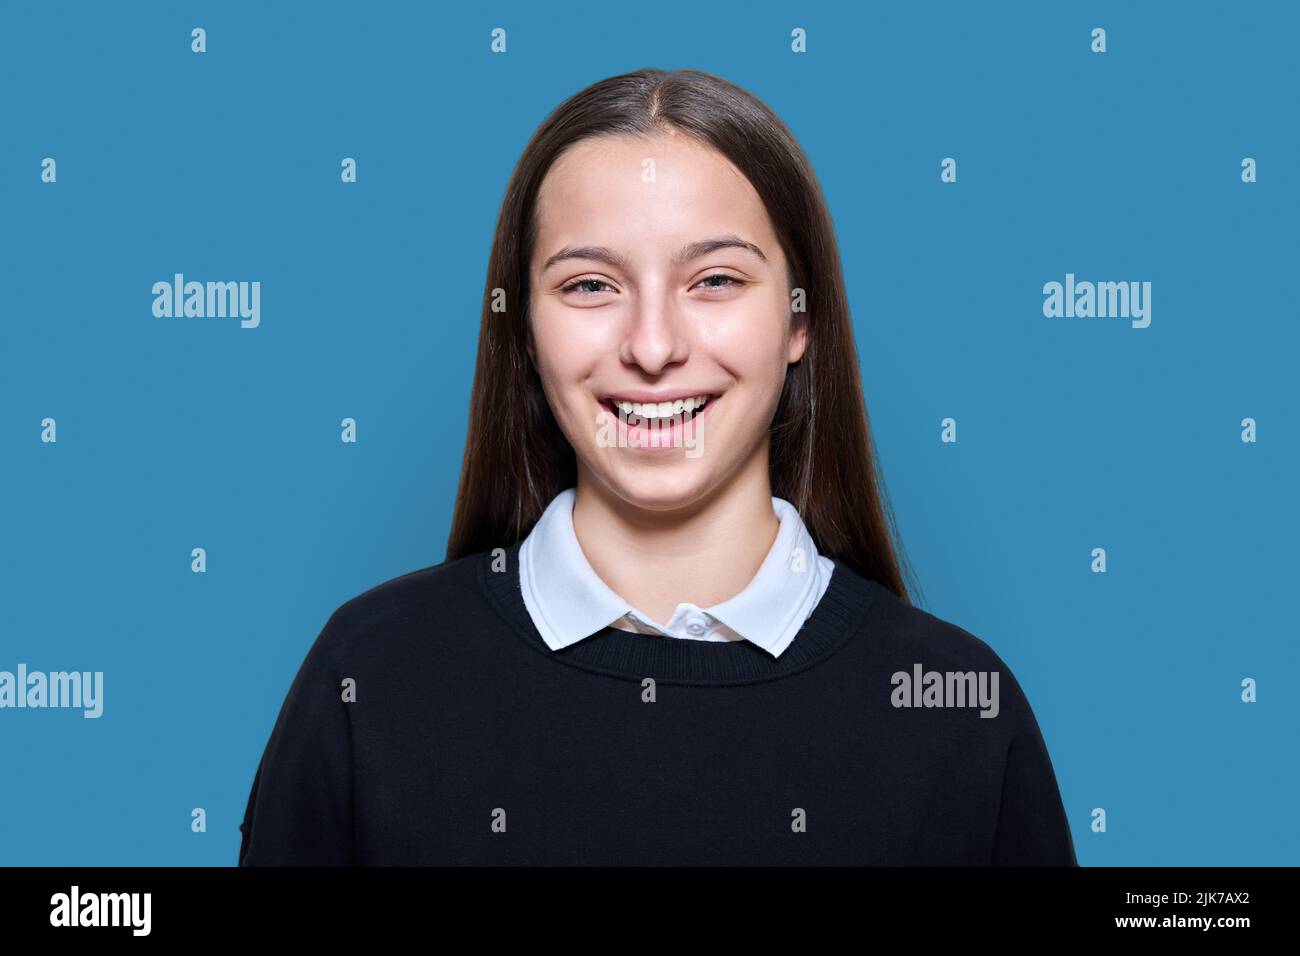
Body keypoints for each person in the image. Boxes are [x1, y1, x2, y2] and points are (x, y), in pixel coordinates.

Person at [238, 68, 1076, 866]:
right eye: (591, 286)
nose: (651, 346)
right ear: (525, 331)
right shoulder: (371, 677)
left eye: (714, 280)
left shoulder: (958, 709)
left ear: (798, 321)